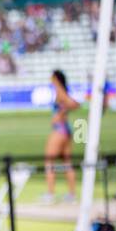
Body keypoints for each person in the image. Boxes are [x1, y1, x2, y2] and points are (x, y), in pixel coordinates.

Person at [41, 68, 79, 204]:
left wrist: (59, 115)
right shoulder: (62, 91)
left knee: (49, 161)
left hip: (59, 131)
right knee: (67, 163)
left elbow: (74, 104)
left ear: (56, 79)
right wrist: (63, 112)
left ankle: (50, 194)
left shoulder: (59, 91)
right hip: (66, 131)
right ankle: (72, 194)